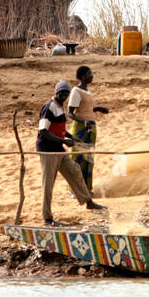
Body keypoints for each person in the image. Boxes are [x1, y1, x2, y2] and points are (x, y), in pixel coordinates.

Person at [38, 80, 104, 222]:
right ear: (56, 92)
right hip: (48, 150)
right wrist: (64, 141)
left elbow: (59, 129)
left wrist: (71, 136)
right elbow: (43, 131)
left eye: (66, 94)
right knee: (48, 184)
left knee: (74, 171)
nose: (64, 96)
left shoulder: (60, 106)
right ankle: (47, 217)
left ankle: (88, 201)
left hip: (58, 148)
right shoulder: (49, 107)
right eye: (62, 93)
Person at [67, 65, 109, 192]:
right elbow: (70, 113)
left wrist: (97, 109)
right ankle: (75, 190)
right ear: (83, 76)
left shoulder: (87, 91)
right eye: (90, 74)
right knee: (78, 158)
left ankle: (86, 188)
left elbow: (85, 109)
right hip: (81, 128)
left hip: (90, 127)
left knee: (88, 158)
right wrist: (84, 121)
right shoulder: (76, 91)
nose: (92, 76)